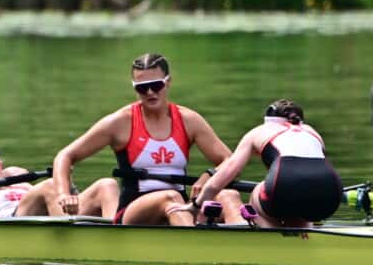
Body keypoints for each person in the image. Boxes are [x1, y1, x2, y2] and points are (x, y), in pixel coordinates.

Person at [44, 52, 239, 226]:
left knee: (229, 196)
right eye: (142, 88)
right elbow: (65, 156)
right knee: (170, 198)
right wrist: (63, 194)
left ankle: (247, 248)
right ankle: (193, 253)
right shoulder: (120, 122)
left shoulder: (189, 120)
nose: (150, 93)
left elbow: (229, 160)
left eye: (156, 85)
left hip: (182, 207)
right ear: (134, 87)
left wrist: (209, 175)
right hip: (132, 212)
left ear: (168, 82)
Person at [199, 99, 344, 228]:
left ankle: (269, 235)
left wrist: (195, 204)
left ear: (268, 120)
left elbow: (226, 173)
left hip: (285, 188)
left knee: (259, 190)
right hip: (330, 193)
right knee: (299, 210)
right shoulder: (313, 133)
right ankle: (305, 235)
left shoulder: (260, 131)